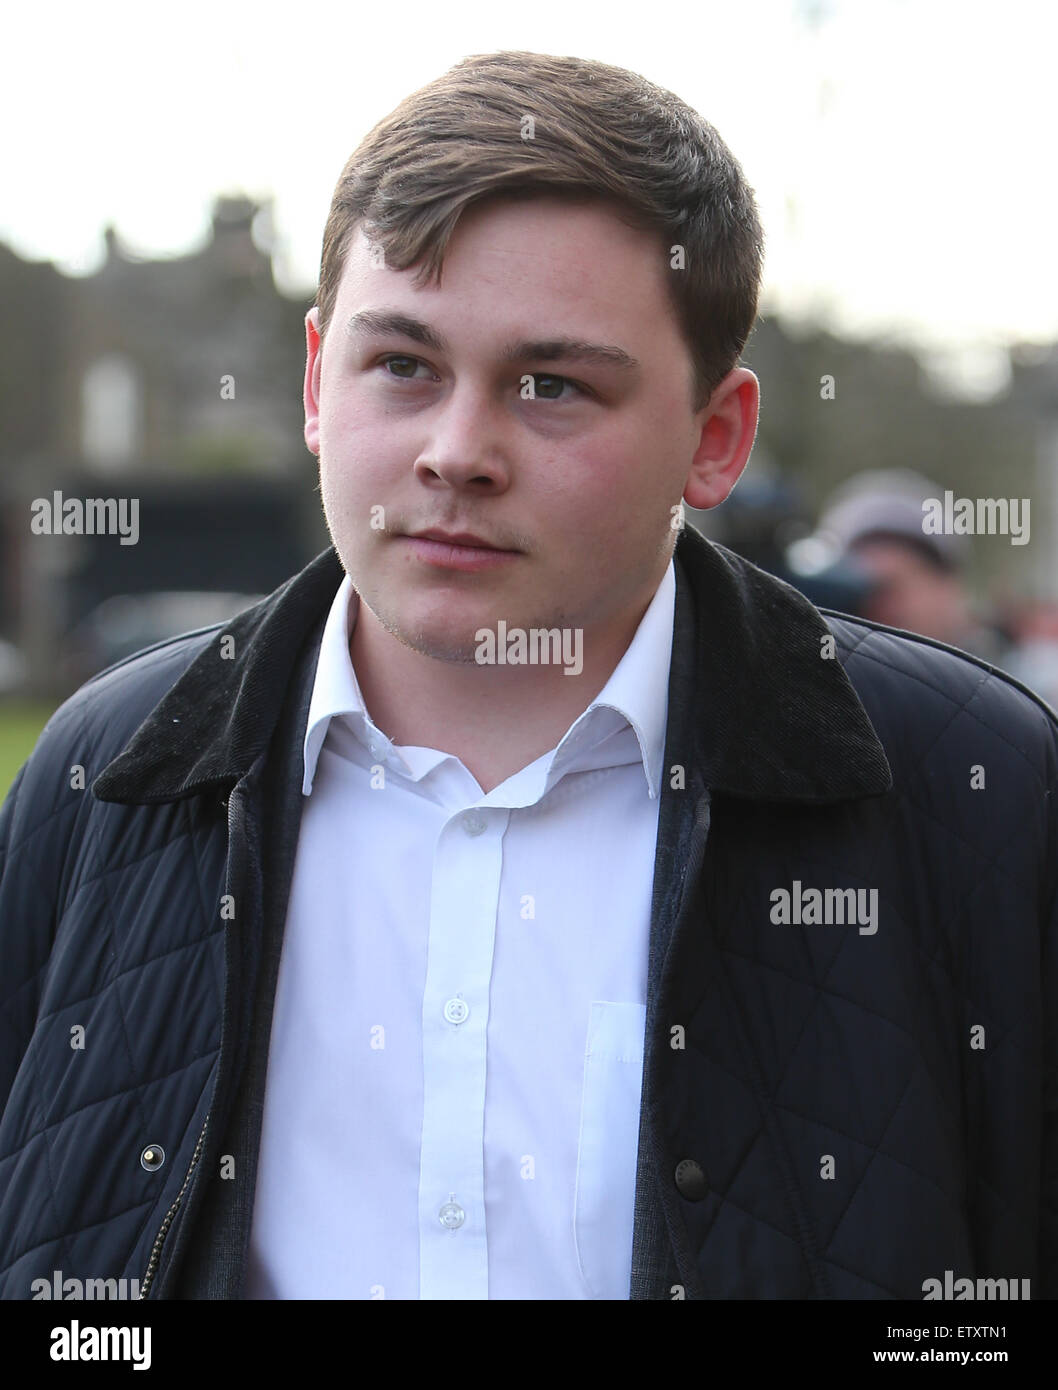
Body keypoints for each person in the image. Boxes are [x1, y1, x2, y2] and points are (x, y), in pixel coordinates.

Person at [1, 50, 1055, 1303]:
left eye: (551, 385)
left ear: (714, 438)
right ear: (313, 384)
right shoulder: (98, 776)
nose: (457, 453)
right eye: (401, 365)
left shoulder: (969, 787)